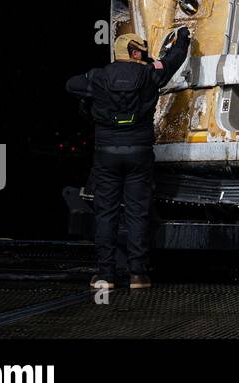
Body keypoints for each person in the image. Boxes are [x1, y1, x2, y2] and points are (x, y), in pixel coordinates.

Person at [67, 27, 191, 290]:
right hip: (138, 153)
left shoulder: (99, 76)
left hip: (106, 155)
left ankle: (105, 275)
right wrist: (182, 38)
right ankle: (137, 275)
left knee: (106, 214)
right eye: (141, 51)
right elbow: (172, 61)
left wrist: (92, 96)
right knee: (137, 213)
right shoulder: (149, 74)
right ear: (134, 51)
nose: (144, 56)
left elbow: (71, 85)